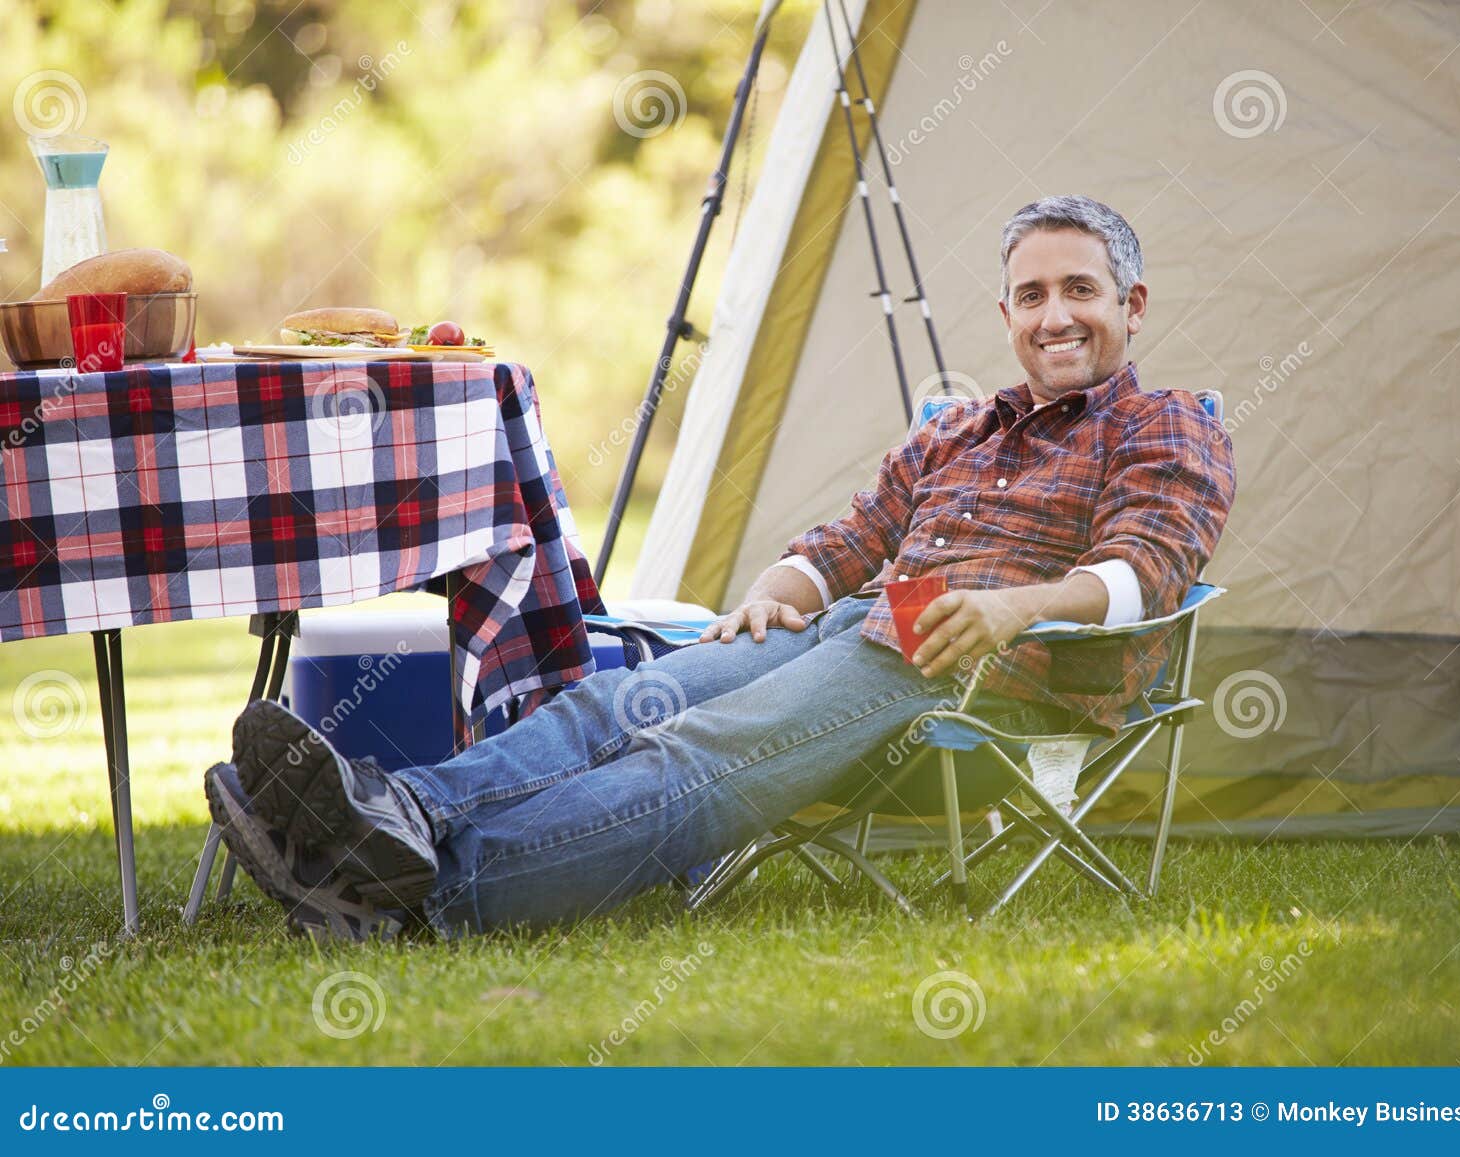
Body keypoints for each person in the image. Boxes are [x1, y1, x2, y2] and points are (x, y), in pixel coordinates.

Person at [205, 194, 1237, 940]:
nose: (1054, 315)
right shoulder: (960, 427)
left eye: (1079, 290)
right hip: (871, 631)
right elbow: (851, 539)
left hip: (990, 677)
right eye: (1030, 294)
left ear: (1131, 303)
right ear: (1007, 314)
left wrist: (1014, 607)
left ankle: (413, 899)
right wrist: (780, 591)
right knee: (620, 700)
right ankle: (397, 809)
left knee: (693, 750)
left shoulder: (1167, 423)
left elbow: (1145, 569)